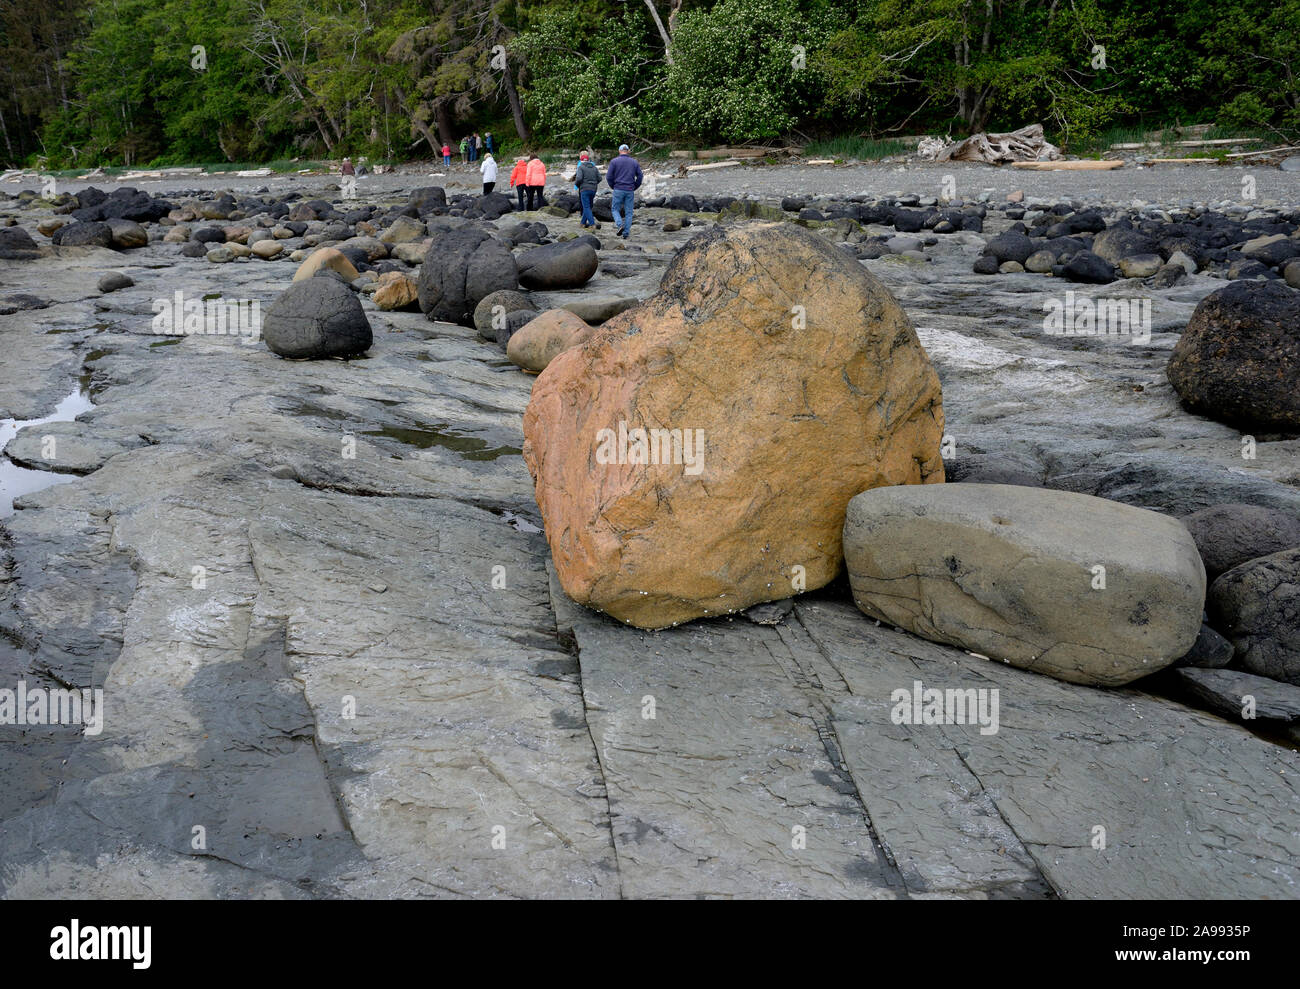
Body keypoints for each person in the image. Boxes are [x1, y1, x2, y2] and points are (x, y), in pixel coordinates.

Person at [605, 143, 643, 239]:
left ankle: (619, 224)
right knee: (629, 212)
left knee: (615, 209)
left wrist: (612, 186)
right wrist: (635, 186)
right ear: (628, 151)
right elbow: (640, 176)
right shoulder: (634, 162)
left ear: (619, 151)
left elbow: (609, 176)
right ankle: (626, 233)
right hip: (630, 189)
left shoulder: (614, 161)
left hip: (618, 188)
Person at [574, 151, 601, 228]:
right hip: (593, 189)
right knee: (589, 206)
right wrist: (594, 183)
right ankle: (582, 223)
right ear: (588, 160)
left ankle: (592, 224)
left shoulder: (581, 167)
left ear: (581, 161)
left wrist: (577, 185)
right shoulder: (594, 168)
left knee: (586, 207)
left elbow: (579, 178)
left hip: (584, 189)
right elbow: (600, 178)